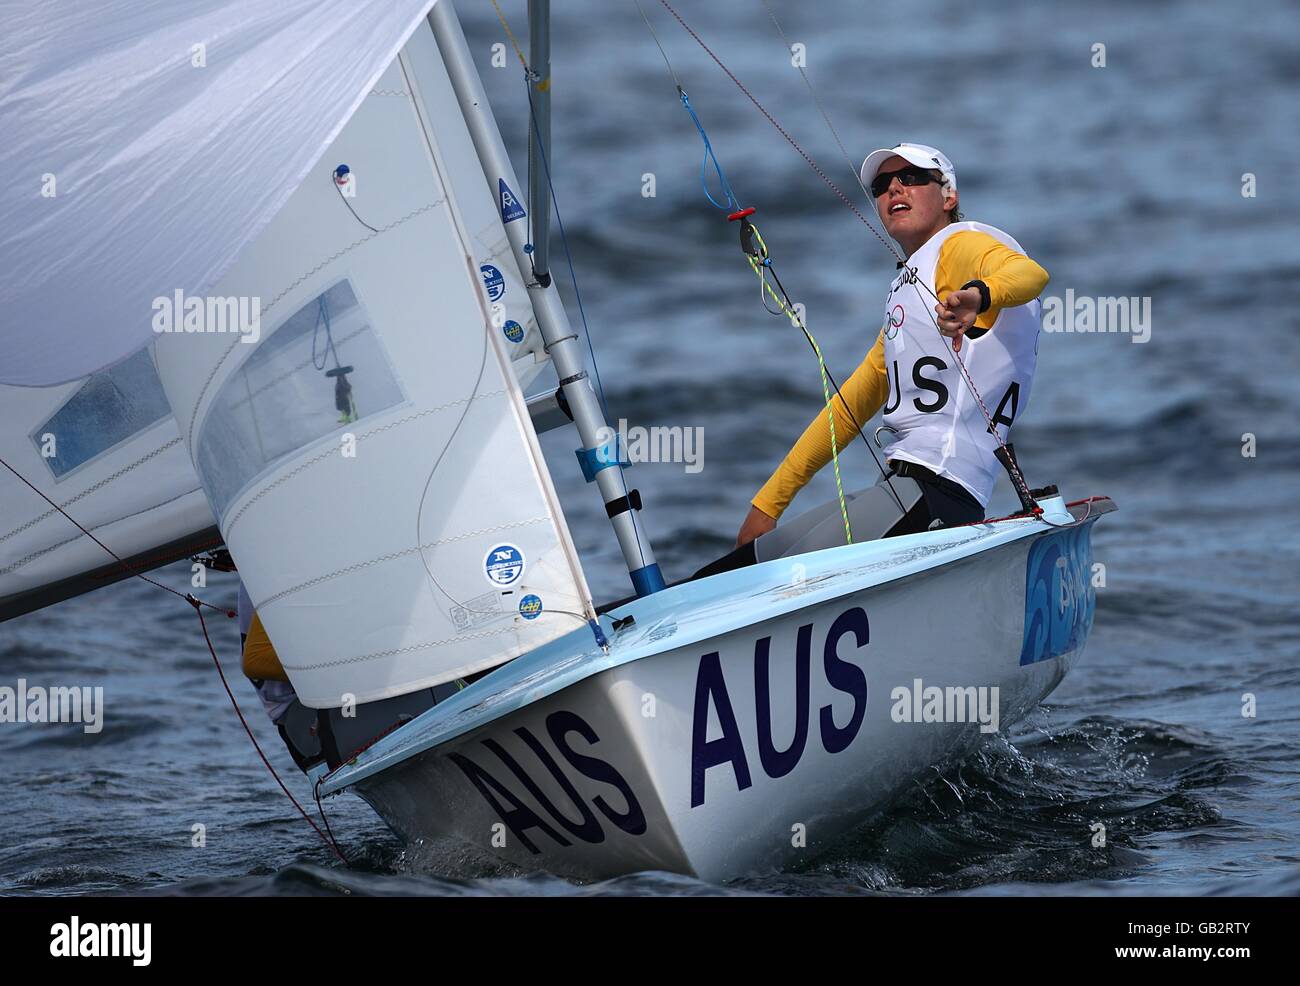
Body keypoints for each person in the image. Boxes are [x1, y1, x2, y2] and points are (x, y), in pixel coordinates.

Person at [696, 143, 1049, 578]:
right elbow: (851, 406)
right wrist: (769, 503)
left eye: (914, 178)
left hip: (940, 492)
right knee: (738, 567)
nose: (894, 188)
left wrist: (977, 296)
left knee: (757, 581)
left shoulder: (962, 244)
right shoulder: (911, 282)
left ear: (949, 196)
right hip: (903, 488)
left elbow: (1030, 275)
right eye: (882, 185)